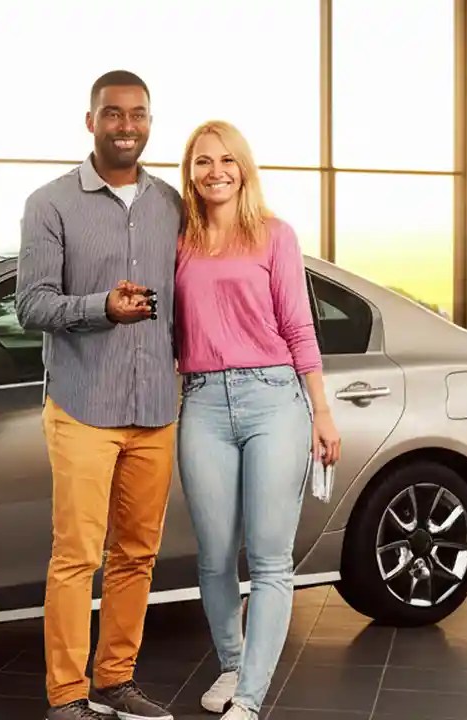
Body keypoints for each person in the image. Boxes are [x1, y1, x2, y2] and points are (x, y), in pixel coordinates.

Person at [16, 69, 184, 720]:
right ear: (91, 122)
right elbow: (30, 305)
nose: (126, 126)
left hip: (154, 410)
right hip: (83, 405)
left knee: (137, 555)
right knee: (76, 557)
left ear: (149, 122)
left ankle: (115, 681)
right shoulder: (51, 204)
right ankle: (66, 697)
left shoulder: (172, 204)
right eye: (113, 114)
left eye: (138, 115)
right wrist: (101, 308)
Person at [172, 120, 341, 720]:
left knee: (269, 557)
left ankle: (248, 698)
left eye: (226, 160)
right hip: (204, 404)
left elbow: (299, 327)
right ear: (188, 173)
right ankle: (231, 661)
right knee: (215, 554)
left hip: (275, 400)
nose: (214, 170)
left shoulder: (275, 235)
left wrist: (320, 411)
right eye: (201, 161)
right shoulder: (180, 240)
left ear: (243, 168)